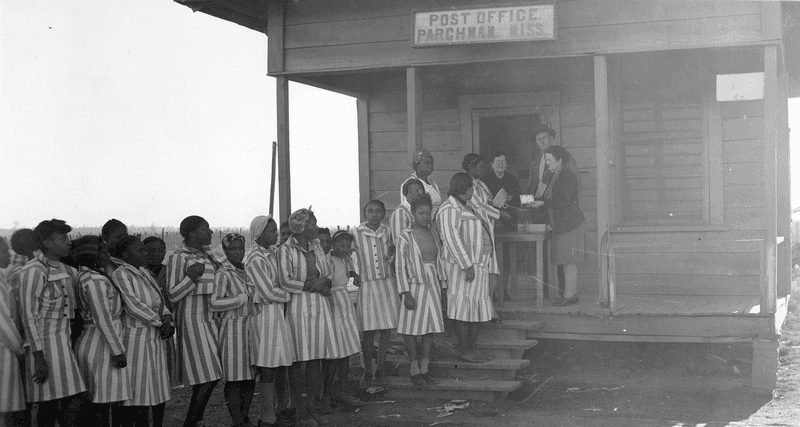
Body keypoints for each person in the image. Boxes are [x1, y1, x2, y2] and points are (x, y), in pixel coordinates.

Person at [19, 219, 88, 427]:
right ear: (47, 242)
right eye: (63, 238)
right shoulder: (34, 270)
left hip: (62, 342)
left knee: (67, 399)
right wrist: (38, 357)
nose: (68, 242)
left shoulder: (62, 268)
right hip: (44, 345)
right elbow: (28, 315)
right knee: (51, 403)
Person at [277, 208, 337, 427]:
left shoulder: (317, 246)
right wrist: (312, 285)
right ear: (301, 227)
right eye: (313, 224)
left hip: (319, 304)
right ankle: (300, 412)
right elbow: (285, 281)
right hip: (298, 306)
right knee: (298, 360)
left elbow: (328, 272)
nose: (317, 227)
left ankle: (311, 409)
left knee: (315, 358)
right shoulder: (285, 250)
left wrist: (326, 283)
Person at [166, 215, 222, 427]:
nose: (210, 232)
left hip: (210, 318)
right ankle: (192, 421)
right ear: (191, 233)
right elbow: (172, 295)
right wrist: (190, 277)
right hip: (192, 318)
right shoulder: (179, 257)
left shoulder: (209, 256)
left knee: (212, 374)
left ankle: (195, 420)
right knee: (208, 375)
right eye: (205, 229)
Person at [111, 236, 173, 427]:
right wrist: (159, 322)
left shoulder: (144, 272)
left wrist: (168, 317)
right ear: (124, 255)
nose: (145, 254)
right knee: (139, 392)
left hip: (154, 338)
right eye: (140, 251)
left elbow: (159, 299)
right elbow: (132, 305)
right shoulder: (121, 274)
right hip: (136, 339)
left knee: (157, 389)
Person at [71, 236, 131, 427]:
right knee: (101, 402)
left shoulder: (90, 276)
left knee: (105, 399)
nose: (108, 254)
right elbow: (102, 319)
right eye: (103, 251)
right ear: (92, 256)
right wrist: (117, 351)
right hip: (100, 346)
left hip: (100, 342)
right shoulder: (94, 281)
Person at [438, 174, 494, 363]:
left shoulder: (467, 206)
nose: (473, 190)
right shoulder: (449, 208)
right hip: (462, 268)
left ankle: (471, 347)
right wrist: (466, 265)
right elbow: (451, 238)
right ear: (463, 188)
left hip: (478, 266)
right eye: (470, 187)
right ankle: (464, 350)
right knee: (462, 308)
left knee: (477, 307)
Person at [247, 215, 295, 427]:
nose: (276, 234)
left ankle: (279, 409)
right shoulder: (255, 259)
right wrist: (291, 294)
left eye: (276, 230)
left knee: (279, 364)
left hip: (277, 314)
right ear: (258, 234)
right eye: (271, 231)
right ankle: (266, 417)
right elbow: (267, 292)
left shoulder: (273, 253)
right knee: (267, 366)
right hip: (264, 315)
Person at [395, 193, 446, 386]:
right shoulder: (405, 236)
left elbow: (438, 263)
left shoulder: (433, 233)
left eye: (428, 213)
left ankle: (425, 370)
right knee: (411, 329)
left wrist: (442, 288)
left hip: (432, 286)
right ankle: (414, 369)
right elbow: (399, 266)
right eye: (421, 213)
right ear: (413, 213)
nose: (425, 216)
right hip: (414, 287)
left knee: (428, 330)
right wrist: (405, 292)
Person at [530, 146, 586, 306]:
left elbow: (563, 201)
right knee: (568, 260)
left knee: (568, 260)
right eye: (546, 160)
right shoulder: (557, 174)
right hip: (563, 223)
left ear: (560, 160)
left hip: (569, 223)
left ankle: (569, 295)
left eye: (549, 160)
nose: (547, 163)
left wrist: (542, 203)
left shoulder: (567, 175)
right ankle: (571, 294)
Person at [212, 233, 257, 427]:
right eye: (233, 249)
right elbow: (214, 303)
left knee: (249, 377)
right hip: (232, 329)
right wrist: (239, 299)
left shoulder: (246, 270)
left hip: (249, 328)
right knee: (234, 378)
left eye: (241, 248)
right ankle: (236, 420)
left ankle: (245, 416)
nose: (238, 252)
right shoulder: (223, 273)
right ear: (225, 250)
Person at [352, 200, 398, 389]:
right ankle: (367, 371)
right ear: (365, 214)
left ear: (383, 214)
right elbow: (349, 255)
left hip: (386, 284)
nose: (374, 214)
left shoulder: (388, 231)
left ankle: (380, 369)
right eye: (370, 211)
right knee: (369, 331)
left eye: (378, 211)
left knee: (386, 329)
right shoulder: (356, 232)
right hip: (368, 285)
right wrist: (353, 272)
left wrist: (393, 255)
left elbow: (395, 250)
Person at [322, 231, 361, 413]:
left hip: (345, 302)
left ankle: (342, 392)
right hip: (333, 302)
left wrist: (354, 273)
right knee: (334, 354)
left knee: (345, 351)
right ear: (333, 244)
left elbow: (350, 271)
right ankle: (326, 395)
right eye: (341, 245)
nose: (344, 249)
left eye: (347, 246)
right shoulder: (328, 259)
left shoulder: (346, 259)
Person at [142, 236, 179, 387]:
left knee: (166, 361)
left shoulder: (169, 272)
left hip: (167, 322)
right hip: (145, 323)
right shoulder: (139, 273)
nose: (156, 254)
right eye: (151, 250)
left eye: (160, 251)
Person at [0, 237, 27, 427]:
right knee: (9, 409)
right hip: (5, 351)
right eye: (4, 250)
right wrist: (20, 349)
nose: (9, 254)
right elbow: (3, 323)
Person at [482, 151, 522, 229]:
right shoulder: (486, 180)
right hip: (492, 217)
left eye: (503, 161)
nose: (501, 164)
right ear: (492, 164)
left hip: (510, 216)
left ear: (506, 164)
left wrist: (512, 197)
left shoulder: (511, 178)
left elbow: (519, 195)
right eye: (498, 161)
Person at [399, 149, 442, 218]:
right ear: (417, 164)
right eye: (426, 163)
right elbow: (408, 209)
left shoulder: (433, 183)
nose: (430, 166)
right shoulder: (411, 184)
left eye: (431, 163)